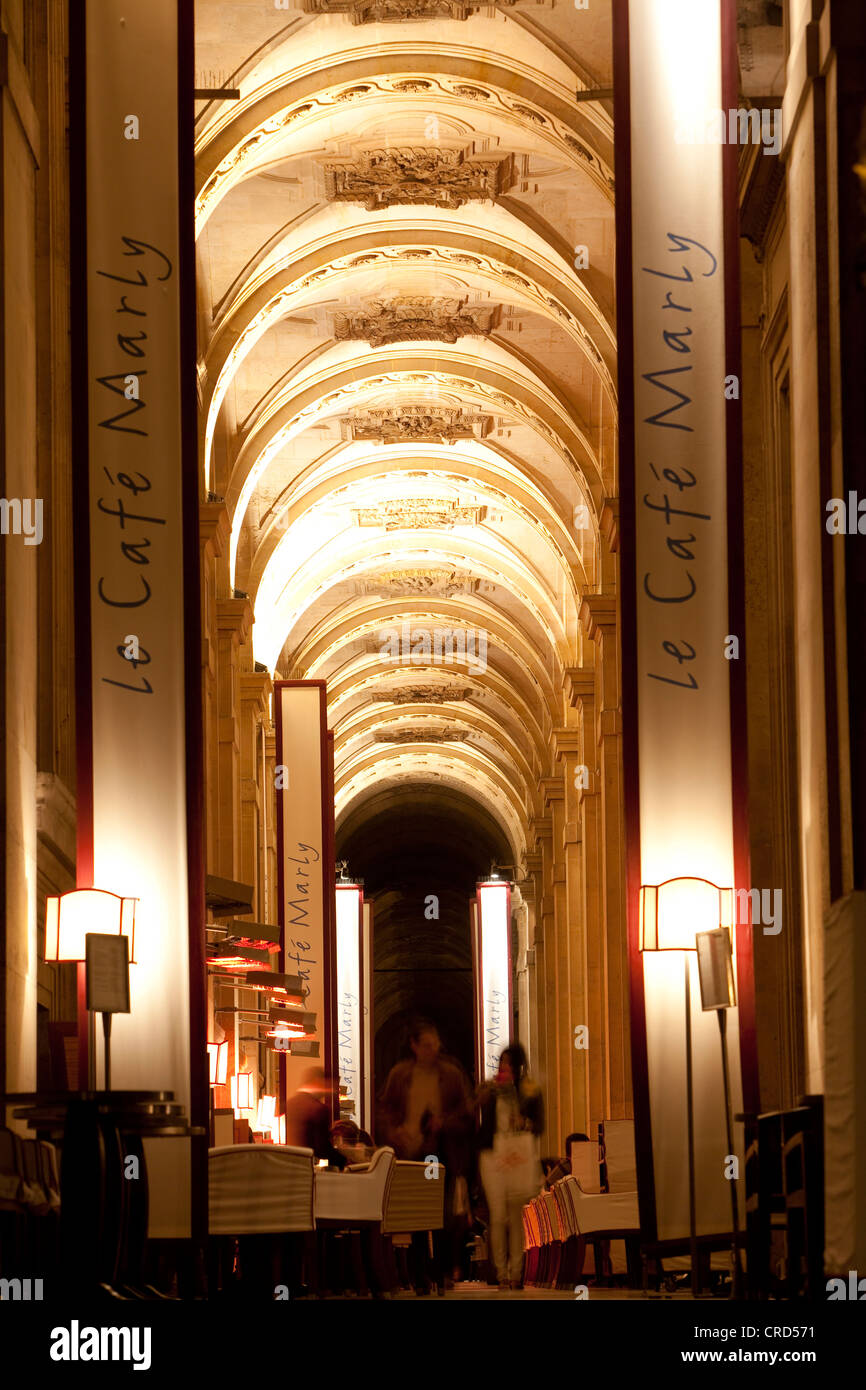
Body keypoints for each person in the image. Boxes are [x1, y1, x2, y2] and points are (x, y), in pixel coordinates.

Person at [378, 1019, 474, 1293]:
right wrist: (395, 1131)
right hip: (411, 1153)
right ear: (415, 1046)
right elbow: (384, 1108)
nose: (433, 1050)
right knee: (416, 1216)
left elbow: (466, 1115)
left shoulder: (451, 1075)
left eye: (436, 1044)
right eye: (427, 1045)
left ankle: (442, 1271)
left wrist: (443, 1123)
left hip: (440, 1153)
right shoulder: (400, 1075)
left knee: (442, 1215)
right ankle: (419, 1275)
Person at [476, 1043, 544, 1290]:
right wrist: (485, 1095)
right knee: (497, 1215)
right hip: (492, 1155)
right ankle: (501, 1273)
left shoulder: (529, 1090)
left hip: (518, 1155)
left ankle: (516, 1273)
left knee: (516, 1217)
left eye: (507, 1062)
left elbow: (539, 1125)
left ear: (517, 1065)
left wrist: (523, 1121)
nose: (503, 1067)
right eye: (501, 1062)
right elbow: (480, 1117)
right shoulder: (492, 1090)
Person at [284, 1068, 346, 1167]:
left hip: (292, 1166)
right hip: (309, 1168)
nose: (330, 1090)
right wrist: (346, 1161)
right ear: (318, 1081)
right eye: (329, 1085)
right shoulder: (318, 1108)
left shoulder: (290, 1103)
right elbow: (322, 1149)